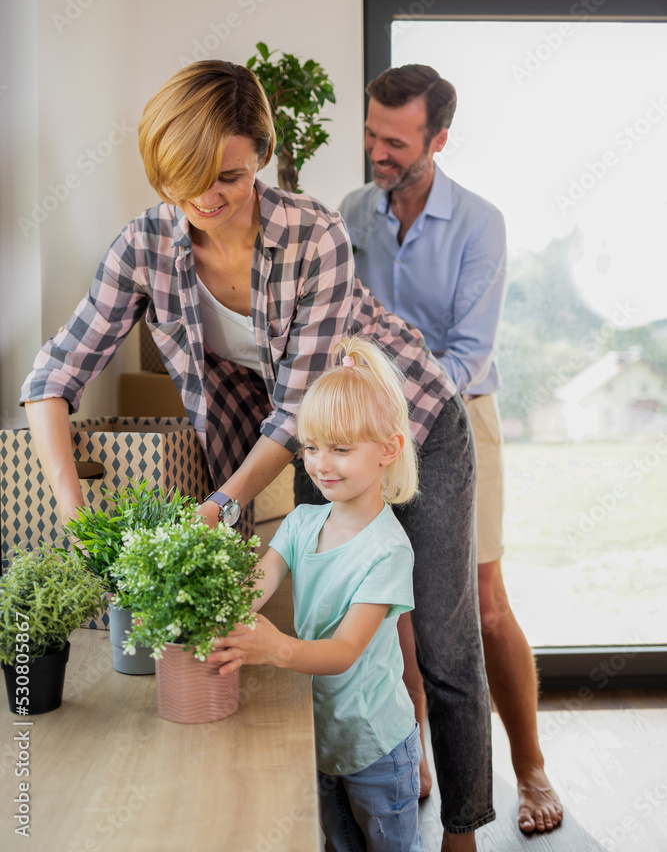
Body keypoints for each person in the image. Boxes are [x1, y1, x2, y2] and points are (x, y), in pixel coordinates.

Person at [20, 60, 493, 849]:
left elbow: (294, 403)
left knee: (445, 642)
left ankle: (463, 830)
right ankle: (377, 769)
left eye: (230, 176)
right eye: (187, 178)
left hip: (407, 424)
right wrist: (71, 508)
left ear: (262, 158)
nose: (208, 197)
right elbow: (51, 375)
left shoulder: (312, 231)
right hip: (314, 445)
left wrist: (222, 504)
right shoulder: (145, 245)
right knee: (331, 621)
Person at [339, 63, 563, 835]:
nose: (377, 151)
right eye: (370, 133)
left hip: (458, 422)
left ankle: (529, 765)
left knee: (482, 605)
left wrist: (408, 407)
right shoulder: (351, 214)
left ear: (437, 139)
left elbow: (467, 351)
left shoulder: (478, 222)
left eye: (394, 140)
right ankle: (418, 750)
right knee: (399, 604)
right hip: (372, 431)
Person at [209, 334, 425, 852]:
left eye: (341, 449)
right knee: (339, 843)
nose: (321, 464)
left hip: (376, 743)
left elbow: (345, 652)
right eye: (310, 447)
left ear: (388, 450)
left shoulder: (388, 550)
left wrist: (275, 648)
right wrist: (209, 606)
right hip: (321, 733)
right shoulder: (303, 522)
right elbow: (256, 587)